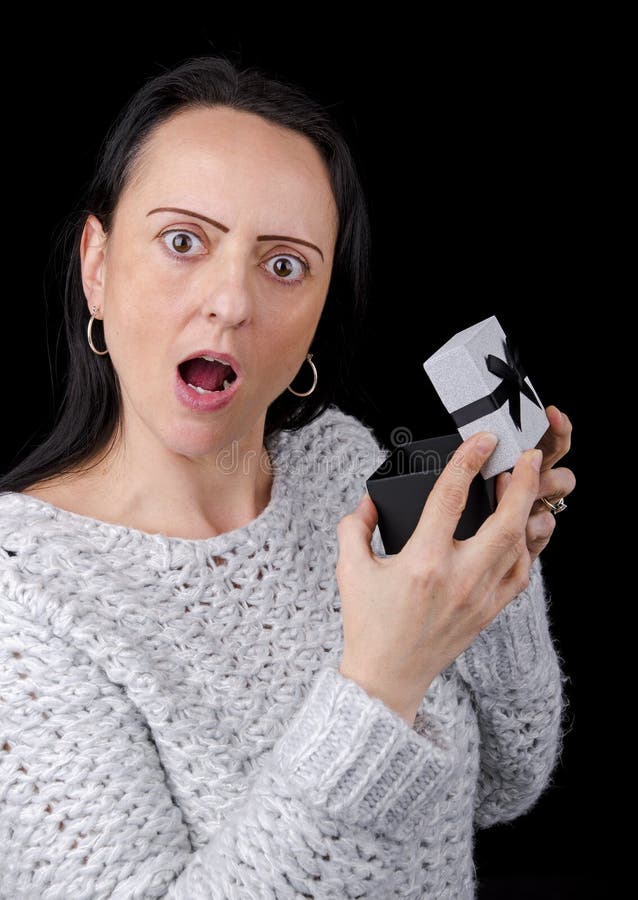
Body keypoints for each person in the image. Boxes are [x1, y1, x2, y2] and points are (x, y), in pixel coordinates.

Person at [0, 55, 575, 899]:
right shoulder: (26, 596)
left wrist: (495, 581)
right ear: (97, 262)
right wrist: (383, 677)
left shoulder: (341, 462)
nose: (231, 301)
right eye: (184, 240)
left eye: (283, 265)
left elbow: (507, 783)